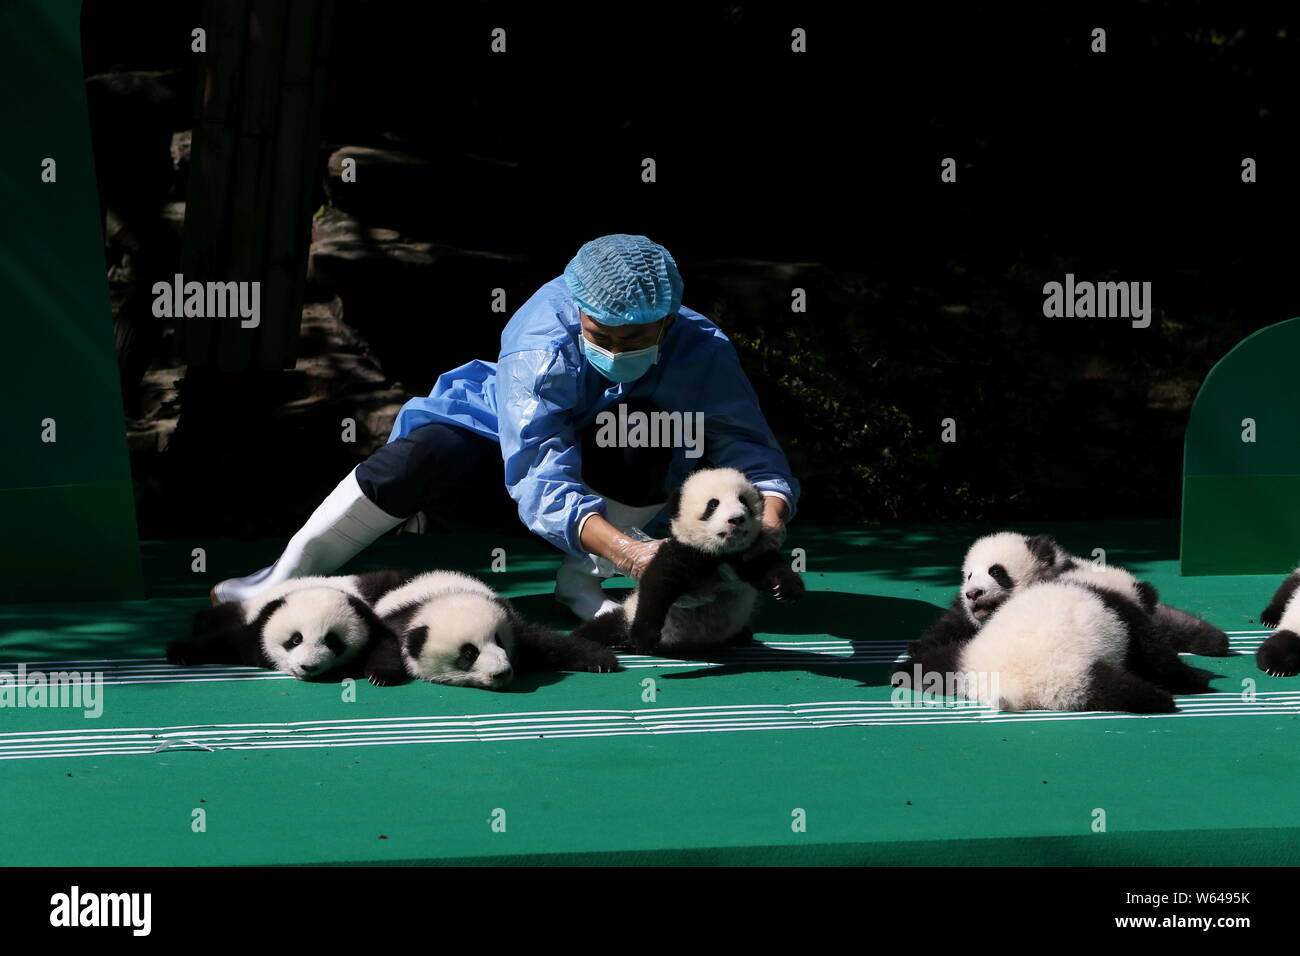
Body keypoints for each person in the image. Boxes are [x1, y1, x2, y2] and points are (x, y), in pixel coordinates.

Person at [212, 234, 800, 620]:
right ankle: (284, 576)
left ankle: (580, 584)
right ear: (577, 310)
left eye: (637, 339)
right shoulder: (540, 342)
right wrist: (635, 556)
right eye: (600, 335)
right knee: (419, 454)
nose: (615, 351)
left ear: (670, 320)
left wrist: (767, 531)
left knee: (639, 427)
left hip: (612, 488)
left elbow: (749, 448)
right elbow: (538, 470)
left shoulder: (703, 348)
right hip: (496, 469)